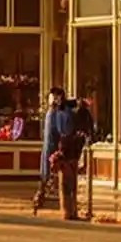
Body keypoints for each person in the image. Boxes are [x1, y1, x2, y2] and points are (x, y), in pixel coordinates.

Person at [39, 87, 83, 220]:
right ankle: (68, 210)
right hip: (62, 152)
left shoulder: (54, 112)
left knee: (61, 181)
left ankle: (66, 209)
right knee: (67, 183)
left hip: (57, 151)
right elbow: (65, 131)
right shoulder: (58, 113)